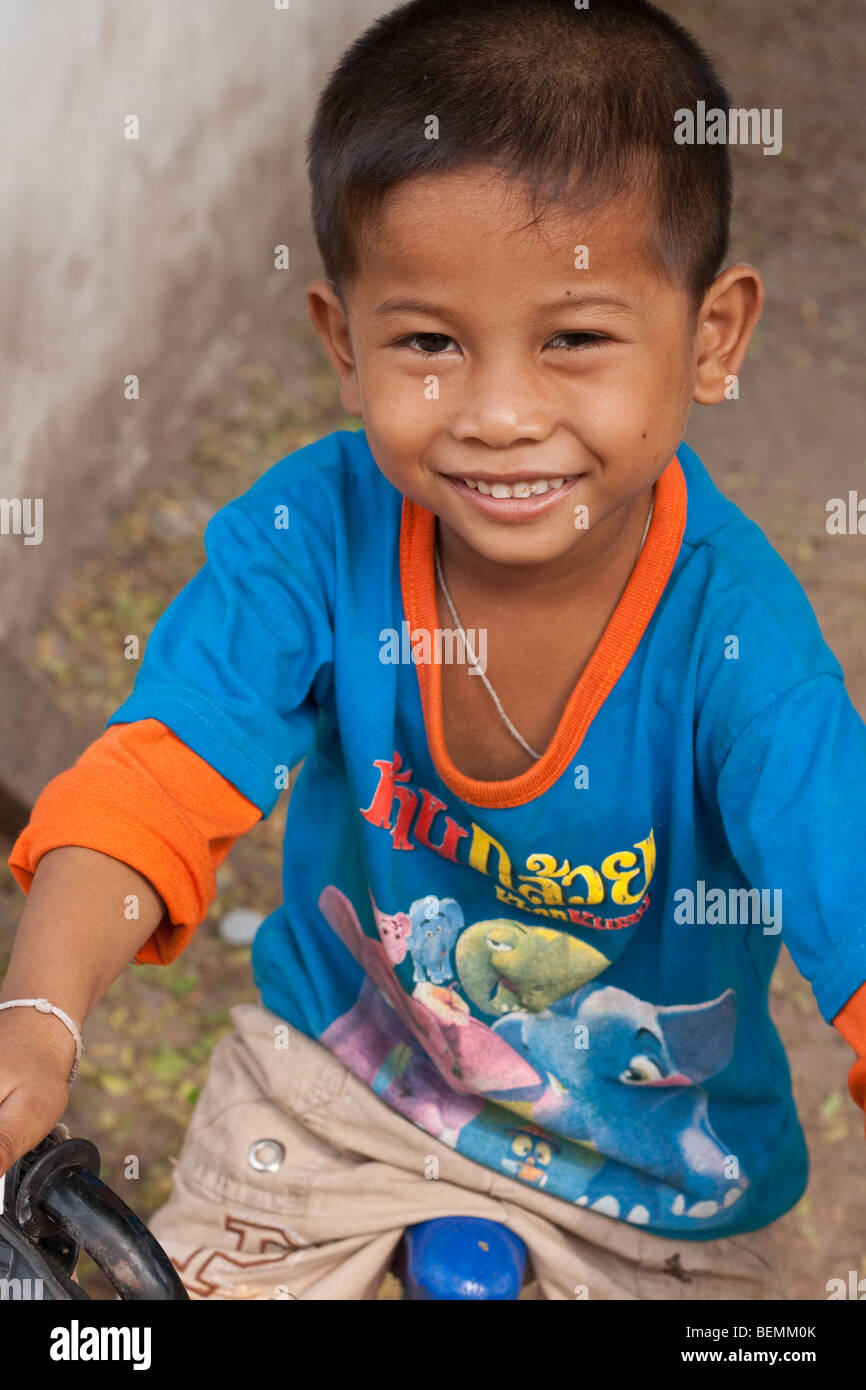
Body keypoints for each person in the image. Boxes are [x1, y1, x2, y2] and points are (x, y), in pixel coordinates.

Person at [1, 0, 864, 1301]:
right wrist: (39, 1017)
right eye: (428, 342)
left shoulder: (740, 646)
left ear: (712, 337)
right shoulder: (309, 533)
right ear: (342, 345)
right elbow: (159, 775)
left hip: (659, 1187)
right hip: (337, 1089)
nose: (500, 414)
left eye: (573, 338)